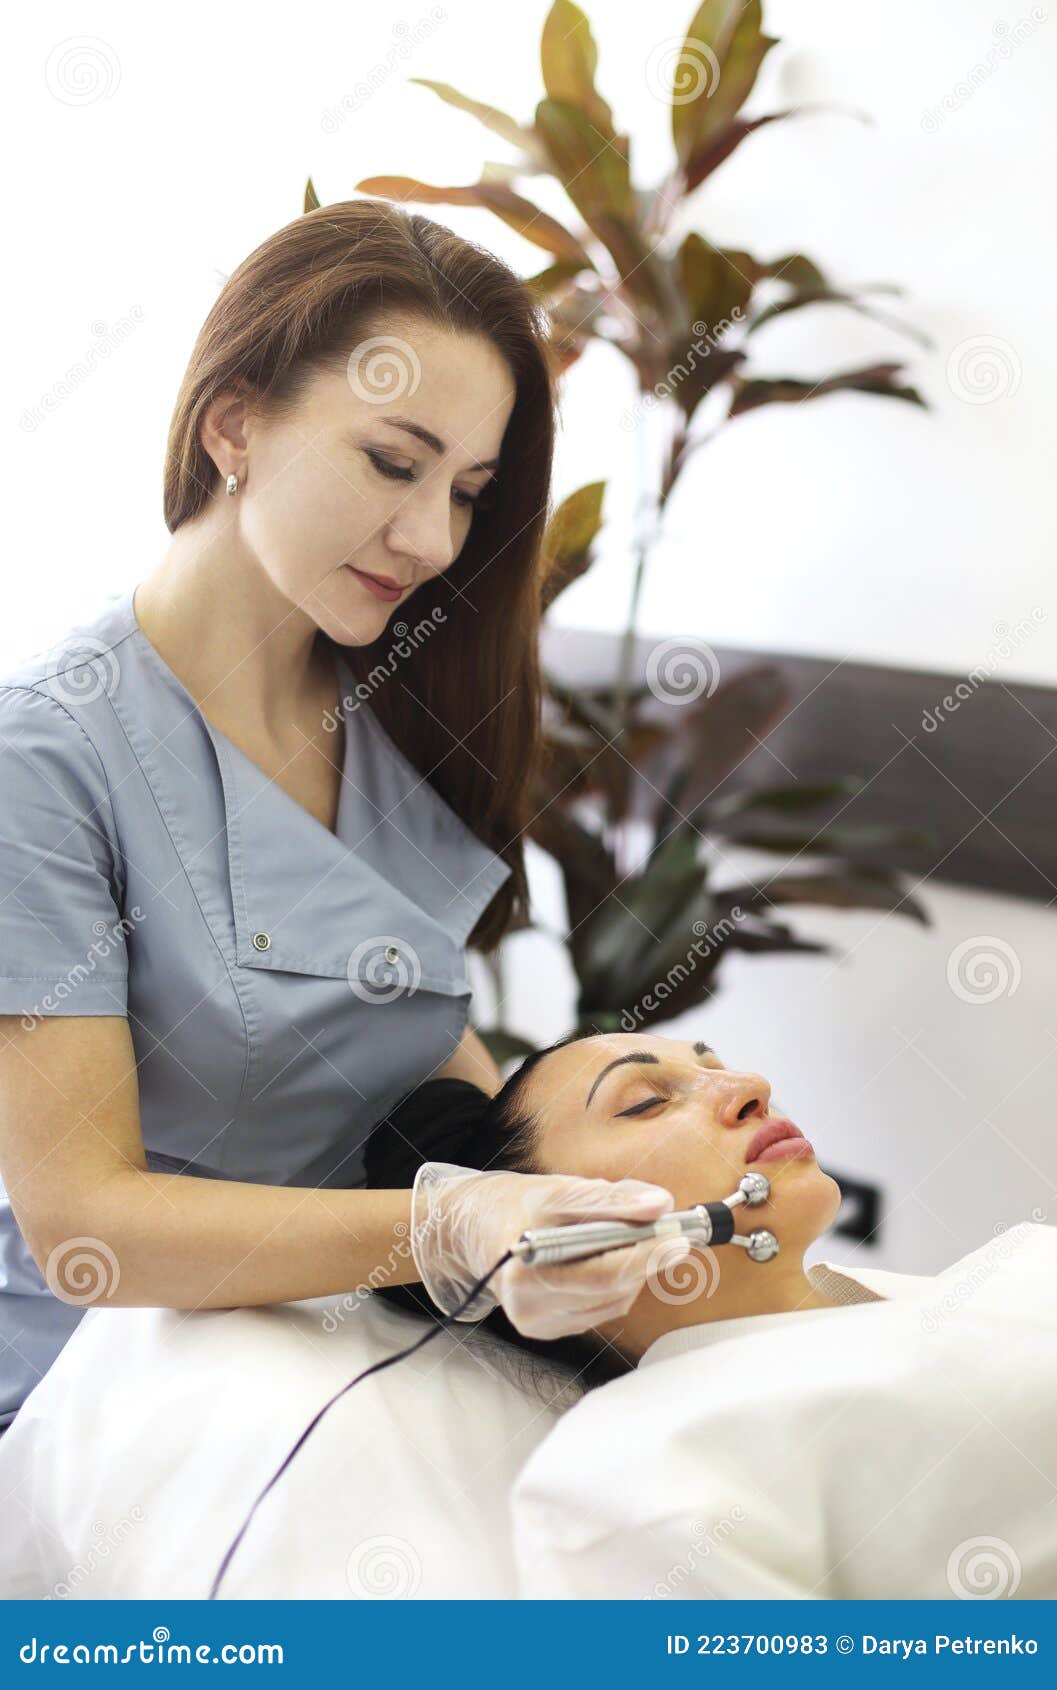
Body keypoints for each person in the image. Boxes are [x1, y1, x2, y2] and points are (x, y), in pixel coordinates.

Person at [0, 200, 681, 1436]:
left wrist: (602, 1190)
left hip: (332, 1380)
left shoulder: (392, 713)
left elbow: (420, 1054)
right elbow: (85, 1227)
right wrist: (443, 1226)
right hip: (90, 1430)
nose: (429, 538)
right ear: (234, 422)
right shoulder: (42, 758)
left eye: (468, 491)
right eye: (390, 461)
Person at [364, 1029, 1057, 1599]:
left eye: (714, 1066)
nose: (750, 1088)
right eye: (644, 1103)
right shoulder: (638, 1480)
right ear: (556, 1230)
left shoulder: (999, 1273)